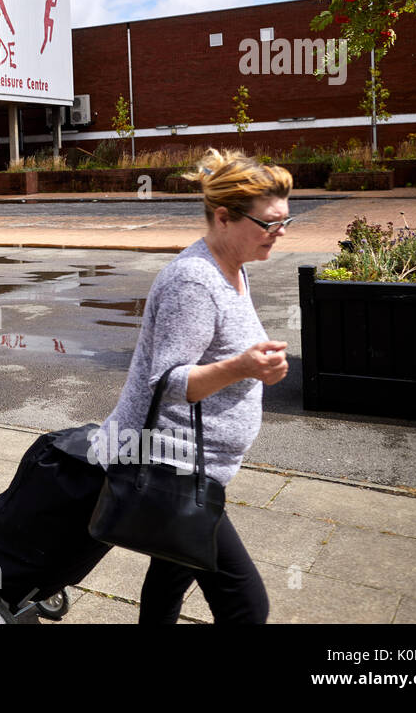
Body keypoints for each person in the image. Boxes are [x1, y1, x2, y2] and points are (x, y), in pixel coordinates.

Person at [96, 148, 293, 624]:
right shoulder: (194, 282)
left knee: (171, 572)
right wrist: (244, 367)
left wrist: (249, 364)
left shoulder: (234, 265)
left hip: (200, 463)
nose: (280, 232)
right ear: (223, 217)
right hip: (176, 463)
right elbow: (166, 381)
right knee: (246, 603)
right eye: (269, 223)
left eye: (286, 220)